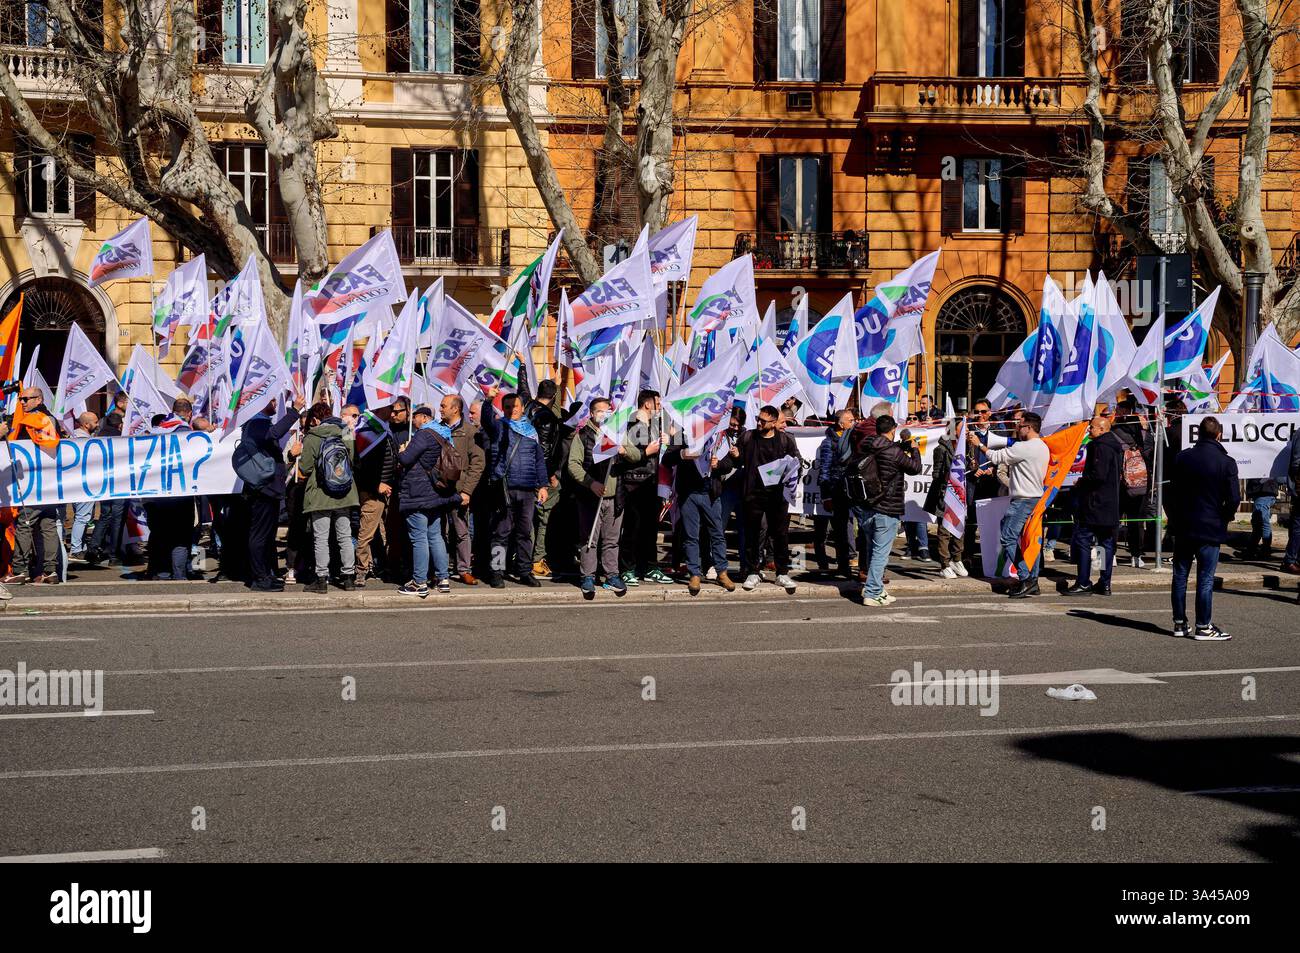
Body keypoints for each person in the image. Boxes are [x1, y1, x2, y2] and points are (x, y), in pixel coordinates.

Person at [1167, 417, 1238, 640]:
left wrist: (1174, 517)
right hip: (1210, 526)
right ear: (1219, 434)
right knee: (1205, 578)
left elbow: (1170, 494)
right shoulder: (1226, 462)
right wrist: (1224, 518)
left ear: (1198, 434)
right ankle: (1203, 625)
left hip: (1184, 525)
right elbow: (1234, 498)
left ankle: (1179, 623)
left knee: (1180, 576)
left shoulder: (1183, 458)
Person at [723, 404, 802, 594]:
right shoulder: (748, 437)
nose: (759, 422)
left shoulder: (785, 440)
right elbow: (736, 460)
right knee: (752, 533)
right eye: (758, 419)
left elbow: (796, 463)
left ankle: (782, 572)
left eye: (763, 421)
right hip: (753, 493)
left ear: (774, 423)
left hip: (777, 495)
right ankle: (752, 571)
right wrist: (734, 456)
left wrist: (790, 473)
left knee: (780, 534)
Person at [972, 410, 1049, 598]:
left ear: (1029, 427)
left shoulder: (1025, 447)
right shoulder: (1041, 446)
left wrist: (979, 444)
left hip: (1023, 500)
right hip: (1031, 498)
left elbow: (997, 458)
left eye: (1019, 425)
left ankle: (1026, 579)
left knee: (1007, 537)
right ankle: (1033, 579)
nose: (1016, 428)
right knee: (1027, 540)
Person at [850, 414, 922, 606]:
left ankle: (877, 589)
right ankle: (872, 592)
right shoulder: (893, 451)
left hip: (866, 507)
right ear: (892, 430)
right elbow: (915, 468)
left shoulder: (866, 445)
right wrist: (914, 449)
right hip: (886, 508)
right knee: (880, 554)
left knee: (873, 551)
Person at [568, 398, 636, 599]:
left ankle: (611, 574)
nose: (604, 415)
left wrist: (624, 450)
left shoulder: (616, 434)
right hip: (591, 497)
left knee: (612, 540)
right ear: (591, 413)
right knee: (589, 539)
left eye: (608, 412)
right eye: (600, 411)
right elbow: (573, 465)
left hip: (615, 497)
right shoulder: (583, 436)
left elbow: (635, 454)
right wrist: (591, 483)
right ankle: (587, 576)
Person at [481, 388, 549, 588]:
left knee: (524, 533)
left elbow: (539, 461)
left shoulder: (531, 432)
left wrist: (543, 485)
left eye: (516, 406)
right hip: (504, 489)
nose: (512, 410)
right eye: (508, 407)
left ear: (522, 408)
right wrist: (488, 401)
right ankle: (497, 572)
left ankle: (524, 571)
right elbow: (486, 420)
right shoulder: (499, 428)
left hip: (527, 490)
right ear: (503, 409)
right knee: (501, 533)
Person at [237, 397, 303, 592]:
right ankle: (259, 578)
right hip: (263, 490)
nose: (275, 404)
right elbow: (273, 434)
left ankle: (266, 574)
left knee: (266, 536)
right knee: (259, 536)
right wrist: (294, 411)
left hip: (269, 489)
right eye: (272, 401)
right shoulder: (257, 423)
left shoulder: (258, 423)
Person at [664, 425, 737, 597]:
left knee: (717, 533)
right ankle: (694, 574)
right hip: (689, 494)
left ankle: (722, 572)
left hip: (710, 494)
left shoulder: (719, 435)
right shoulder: (683, 435)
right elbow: (667, 459)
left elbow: (729, 463)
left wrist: (718, 464)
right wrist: (683, 454)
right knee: (691, 536)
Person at [396, 406, 462, 597]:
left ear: (424, 418)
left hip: (418, 494)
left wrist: (402, 450)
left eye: (415, 416)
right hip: (436, 494)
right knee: (435, 535)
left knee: (419, 538)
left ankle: (419, 582)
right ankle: (443, 579)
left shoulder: (424, 434)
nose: (413, 420)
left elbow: (406, 459)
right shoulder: (444, 434)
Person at [1, 387, 63, 585]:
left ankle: (20, 570)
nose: (23, 402)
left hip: (33, 484)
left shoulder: (38, 420)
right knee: (48, 525)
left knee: (24, 525)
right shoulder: (46, 419)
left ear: (39, 399)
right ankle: (50, 571)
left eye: (27, 399)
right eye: (20, 399)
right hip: (50, 484)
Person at [297, 401, 358, 593]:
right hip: (345, 491)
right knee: (345, 536)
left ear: (315, 419)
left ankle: (321, 579)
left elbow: (305, 468)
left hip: (320, 493)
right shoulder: (346, 431)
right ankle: (348, 578)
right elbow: (352, 460)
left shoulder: (312, 436)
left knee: (321, 538)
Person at [617, 390, 670, 586]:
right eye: (658, 402)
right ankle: (627, 569)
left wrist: (666, 440)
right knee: (633, 528)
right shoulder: (632, 424)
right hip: (634, 483)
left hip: (652, 483)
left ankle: (649, 567)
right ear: (648, 404)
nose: (660, 405)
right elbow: (625, 453)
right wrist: (646, 451)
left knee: (650, 529)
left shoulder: (655, 425)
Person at [1067, 414, 1123, 597]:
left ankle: (1083, 582)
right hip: (1109, 503)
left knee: (1084, 541)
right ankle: (1104, 582)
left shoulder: (1100, 446)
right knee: (1104, 544)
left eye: (1092, 427)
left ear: (1102, 429)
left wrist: (1081, 482)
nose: (1089, 429)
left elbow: (1098, 475)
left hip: (1095, 503)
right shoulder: (1115, 446)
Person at [525, 379, 570, 578]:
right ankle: (536, 560)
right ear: (553, 398)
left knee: (529, 517)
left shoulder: (527, 408)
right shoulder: (547, 418)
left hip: (525, 471)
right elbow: (544, 451)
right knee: (543, 517)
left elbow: (523, 390)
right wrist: (549, 475)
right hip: (540, 475)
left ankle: (526, 557)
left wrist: (524, 367)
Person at [348, 403, 395, 587]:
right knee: (366, 533)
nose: (393, 412)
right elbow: (362, 465)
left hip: (386, 491)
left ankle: (381, 566)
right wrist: (378, 485)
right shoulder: (368, 431)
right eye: (390, 409)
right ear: (380, 409)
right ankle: (360, 570)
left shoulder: (384, 430)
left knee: (380, 533)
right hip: (371, 492)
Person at [440, 394, 486, 585]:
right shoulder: (436, 429)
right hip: (437, 490)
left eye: (444, 406)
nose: (440, 409)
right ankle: (439, 570)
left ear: (455, 409)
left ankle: (464, 569)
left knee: (461, 532)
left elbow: (478, 463)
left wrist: (467, 490)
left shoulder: (469, 432)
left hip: (458, 491)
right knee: (437, 532)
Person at [815, 409, 859, 577]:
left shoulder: (853, 439)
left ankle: (850, 559)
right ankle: (843, 564)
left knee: (850, 527)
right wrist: (826, 495)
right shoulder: (828, 443)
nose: (854, 422)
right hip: (836, 490)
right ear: (841, 424)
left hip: (852, 491)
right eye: (851, 420)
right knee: (839, 529)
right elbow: (824, 471)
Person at [1112, 395, 1154, 568]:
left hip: (1119, 484)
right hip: (1141, 484)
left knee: (1115, 520)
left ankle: (1111, 554)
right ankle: (1136, 555)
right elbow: (1152, 460)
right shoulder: (1146, 436)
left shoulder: (1113, 434)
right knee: (1137, 521)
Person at [923, 425, 967, 578]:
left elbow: (970, 467)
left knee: (959, 527)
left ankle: (957, 559)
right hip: (946, 493)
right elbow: (936, 474)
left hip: (961, 494)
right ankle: (945, 563)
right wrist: (948, 476)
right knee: (944, 529)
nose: (966, 431)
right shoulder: (941, 449)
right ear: (954, 431)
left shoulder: (967, 446)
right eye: (962, 429)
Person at [67, 411, 99, 559]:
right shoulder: (83, 440)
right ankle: (76, 549)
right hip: (84, 482)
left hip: (75, 482)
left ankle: (80, 546)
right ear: (86, 424)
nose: (98, 424)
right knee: (82, 516)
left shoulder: (73, 436)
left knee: (82, 516)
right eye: (95, 422)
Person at [1240, 477, 1278, 561]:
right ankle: (1254, 550)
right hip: (1264, 491)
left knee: (1261, 523)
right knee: (1259, 523)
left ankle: (1263, 551)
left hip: (1264, 491)